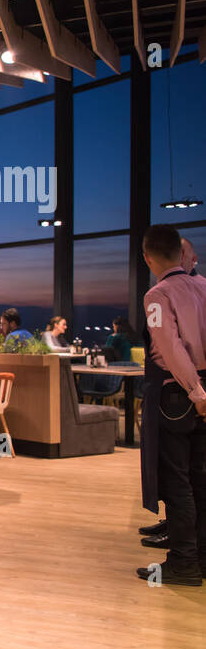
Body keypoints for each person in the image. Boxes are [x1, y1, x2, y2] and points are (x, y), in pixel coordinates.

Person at [137, 225, 206, 585]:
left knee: (177, 481)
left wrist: (195, 392)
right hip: (203, 389)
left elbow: (169, 348)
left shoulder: (157, 295)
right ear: (182, 255)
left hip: (179, 395)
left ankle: (183, 563)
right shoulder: (204, 286)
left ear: (148, 258)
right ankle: (202, 558)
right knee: (201, 478)